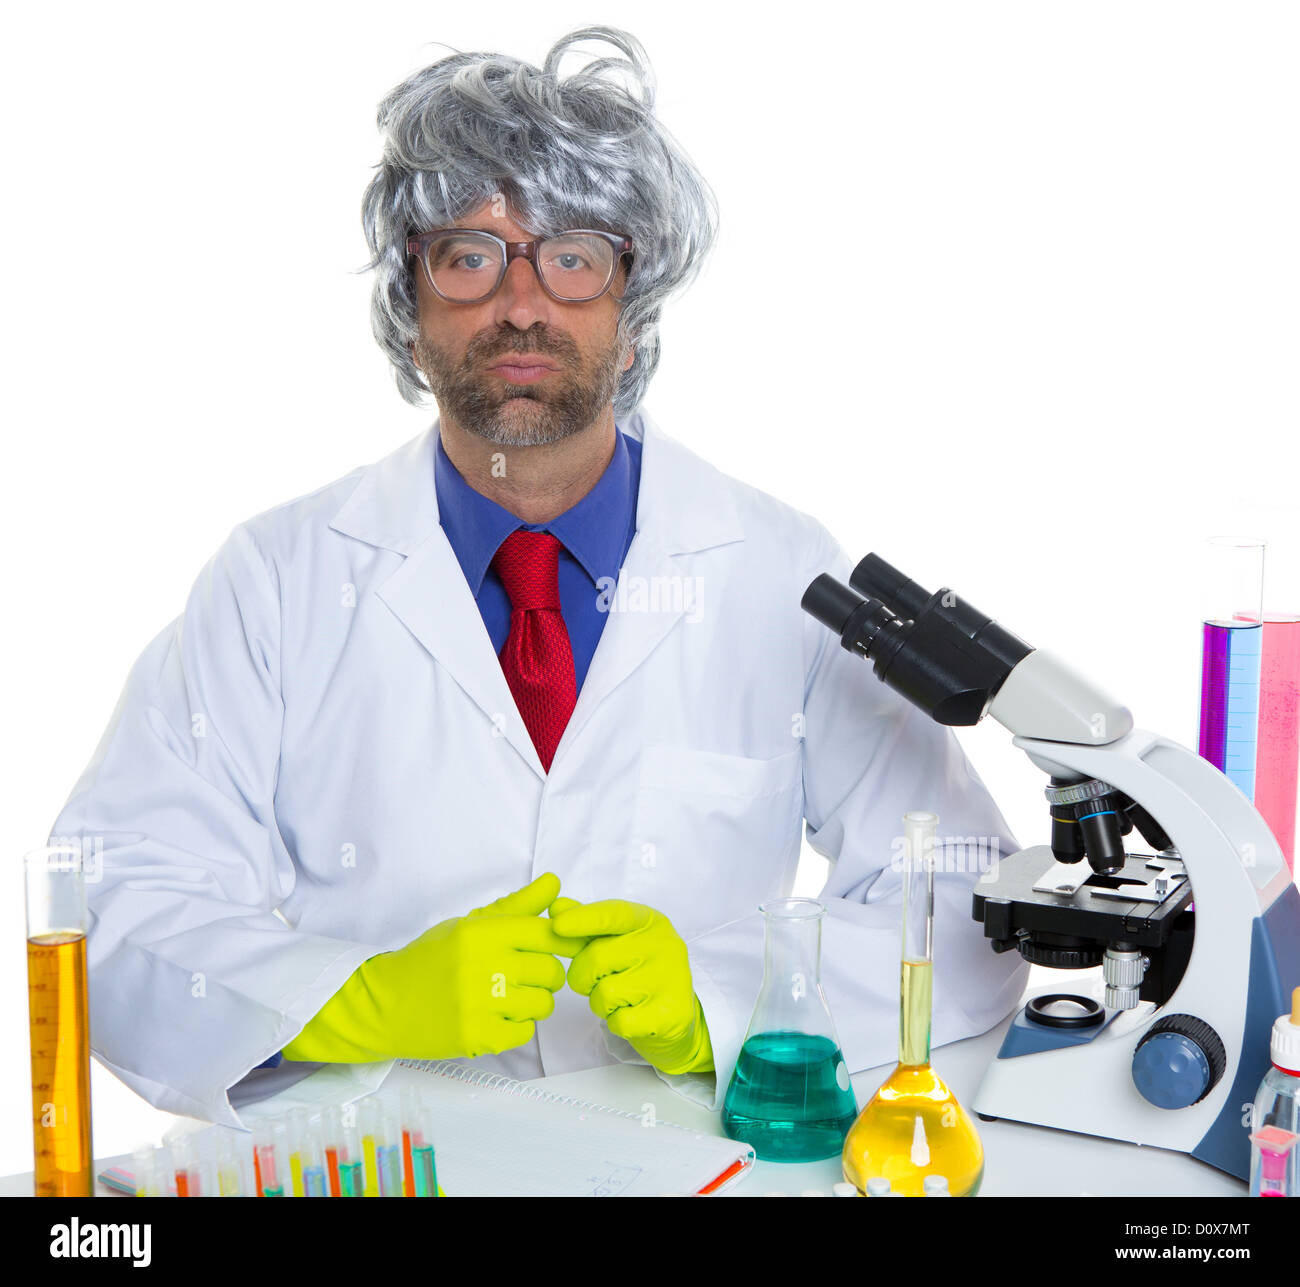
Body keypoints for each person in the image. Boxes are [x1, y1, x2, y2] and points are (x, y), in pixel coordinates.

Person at [48, 26, 1027, 1128]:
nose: (521, 303)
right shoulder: (278, 580)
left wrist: (729, 996)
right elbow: (113, 894)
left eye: (572, 255)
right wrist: (355, 998)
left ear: (632, 296)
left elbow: (962, 901)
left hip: (682, 1162)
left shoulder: (777, 570)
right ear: (408, 305)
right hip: (378, 1161)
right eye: (468, 255)